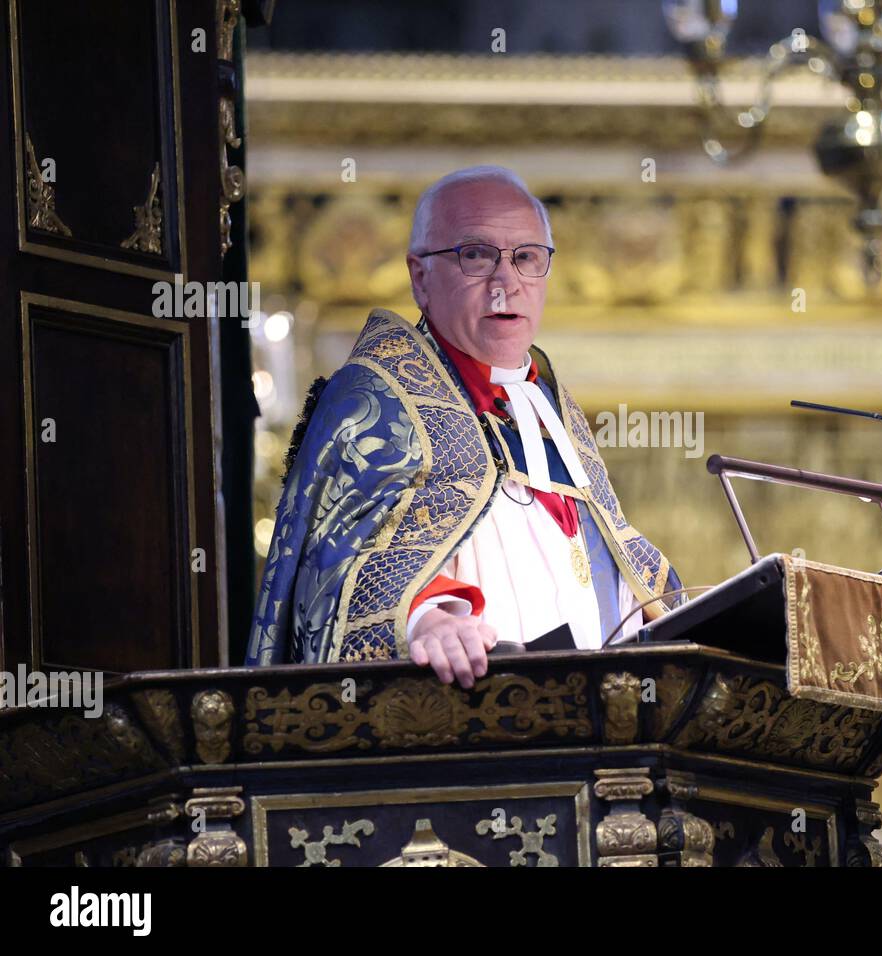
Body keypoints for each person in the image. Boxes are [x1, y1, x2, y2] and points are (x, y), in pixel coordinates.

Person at [246, 165, 683, 685]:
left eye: (526, 258)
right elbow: (333, 575)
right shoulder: (374, 400)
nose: (506, 284)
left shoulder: (548, 407)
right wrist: (424, 618)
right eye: (475, 255)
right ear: (420, 276)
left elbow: (602, 561)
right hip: (461, 725)